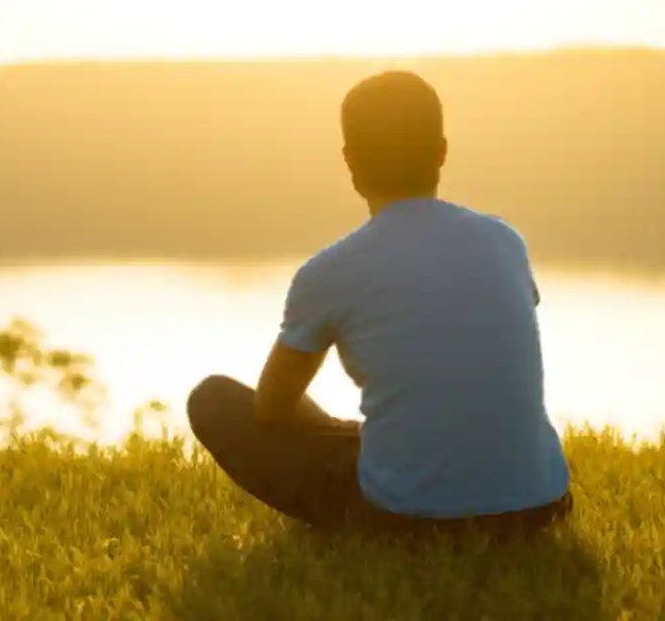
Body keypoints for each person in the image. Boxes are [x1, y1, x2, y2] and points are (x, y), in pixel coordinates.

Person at [187, 71, 571, 539]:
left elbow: (272, 409)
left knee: (213, 399)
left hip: (405, 521)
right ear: (442, 151)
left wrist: (334, 430)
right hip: (541, 507)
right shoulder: (504, 241)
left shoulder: (329, 272)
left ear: (351, 163)